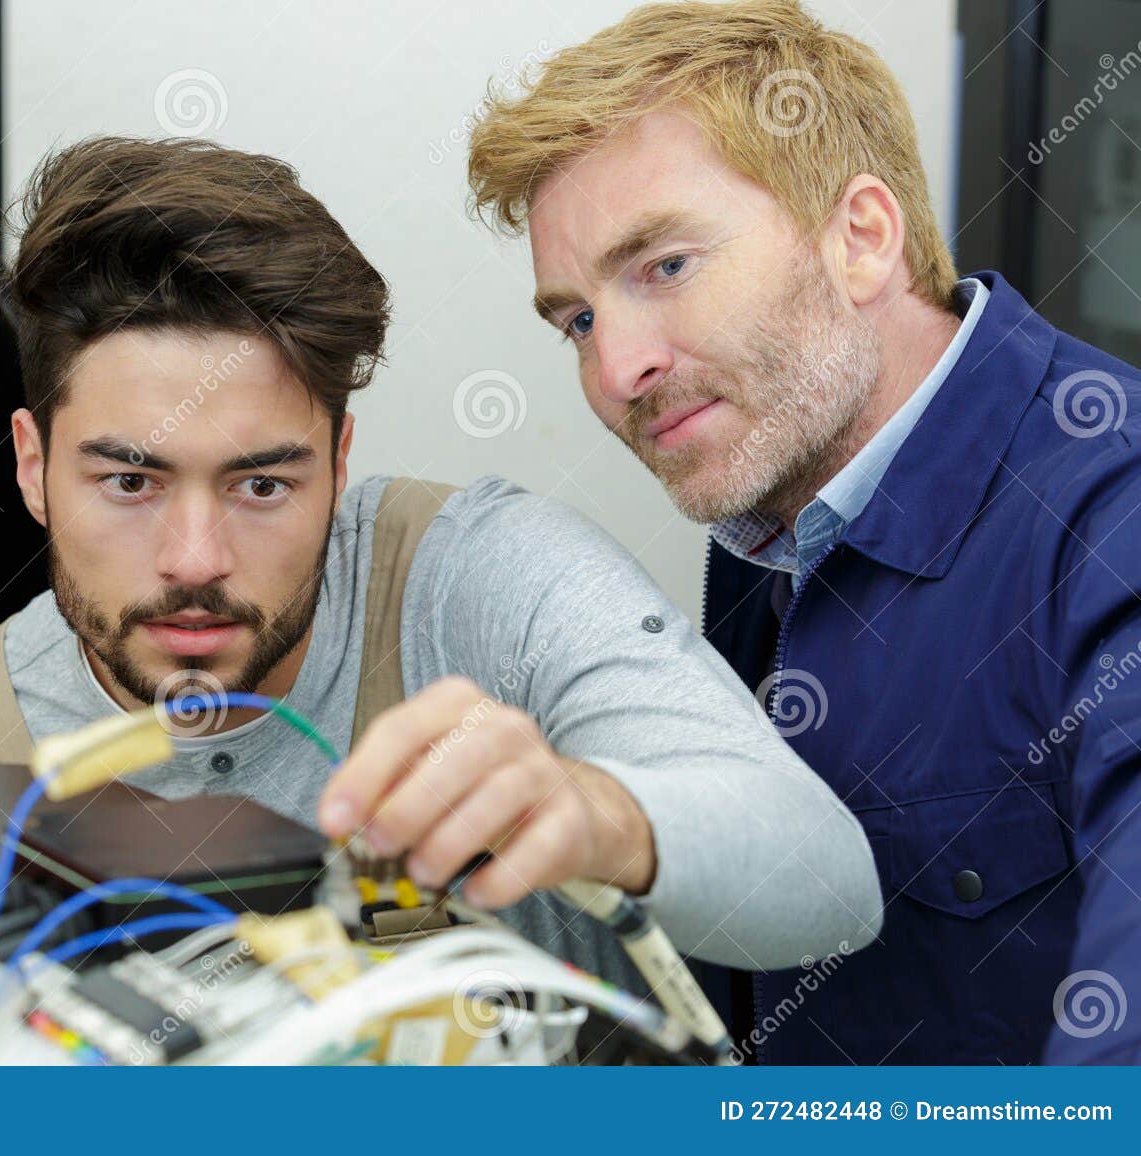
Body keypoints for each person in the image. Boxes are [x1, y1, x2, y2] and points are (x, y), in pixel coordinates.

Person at [0, 134, 881, 991]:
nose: (195, 561)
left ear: (339, 463)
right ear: (34, 466)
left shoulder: (479, 583)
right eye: (130, 483)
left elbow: (830, 888)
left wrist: (597, 813)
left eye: (261, 485)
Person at [467, 0, 1141, 1063]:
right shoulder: (769, 507)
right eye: (579, 318)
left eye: (665, 267)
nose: (614, 371)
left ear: (859, 238)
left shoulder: (1112, 518)